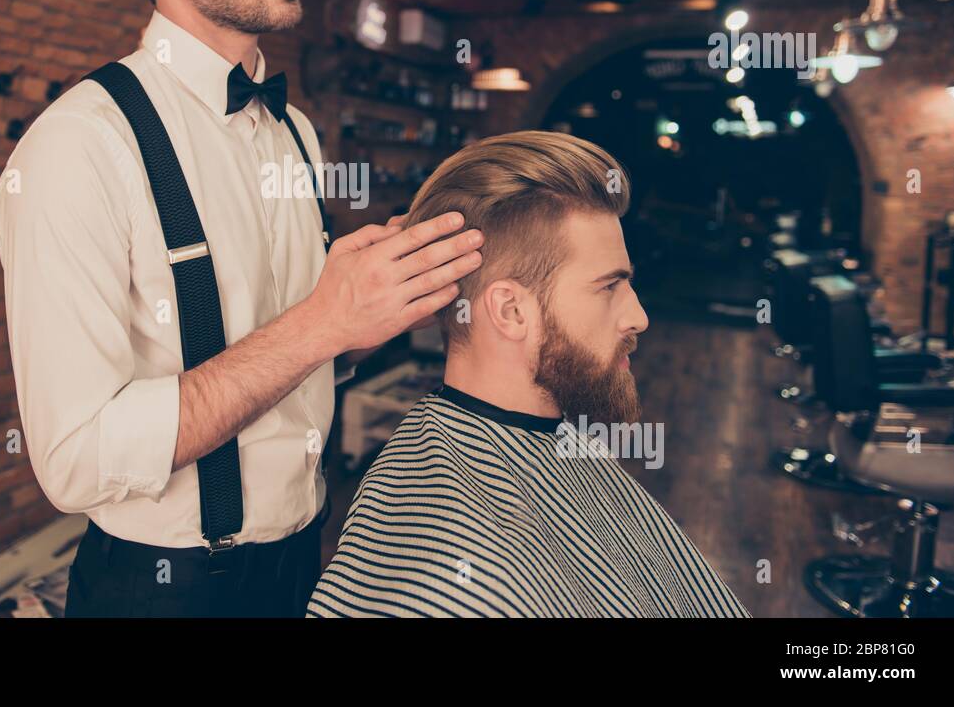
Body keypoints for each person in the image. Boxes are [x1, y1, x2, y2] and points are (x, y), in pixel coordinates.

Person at [0, 0, 483, 617]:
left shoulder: (293, 128)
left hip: (304, 556)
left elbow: (285, 356)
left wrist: (366, 311)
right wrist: (320, 323)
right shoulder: (79, 148)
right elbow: (74, 457)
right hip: (168, 587)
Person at [307, 131, 750, 617]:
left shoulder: (556, 446)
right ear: (511, 311)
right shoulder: (455, 574)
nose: (638, 316)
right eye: (608, 288)